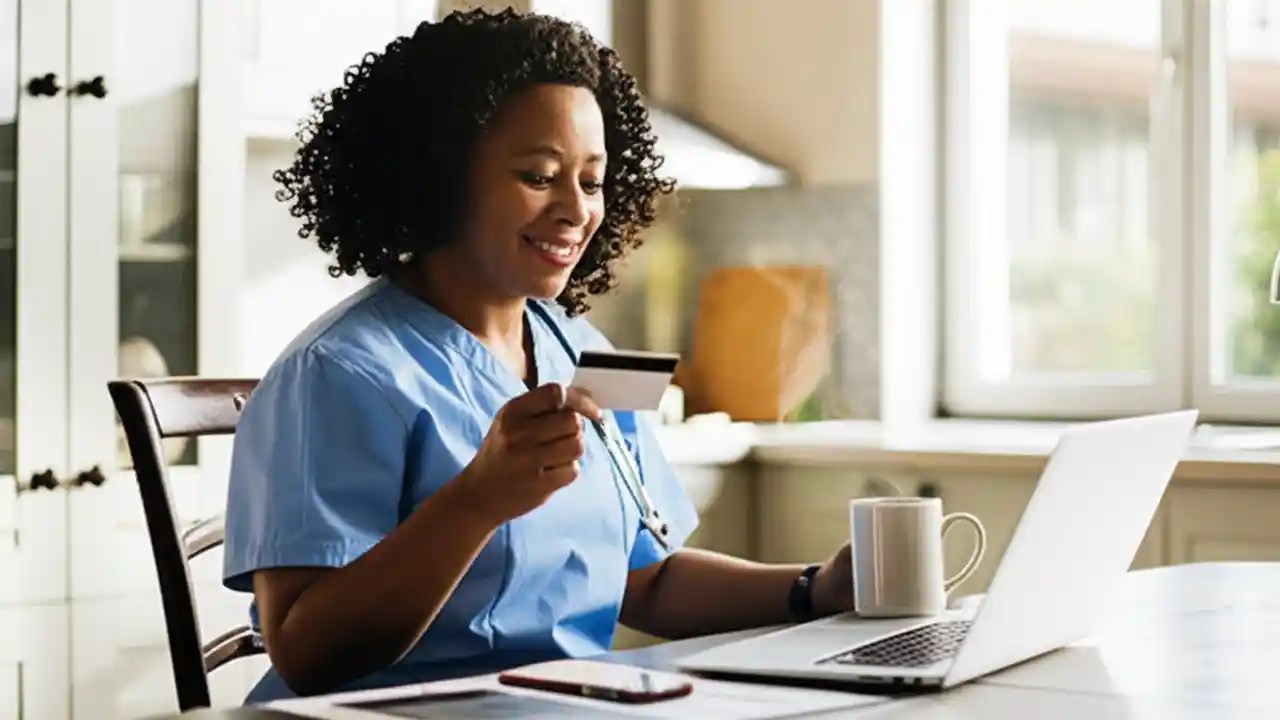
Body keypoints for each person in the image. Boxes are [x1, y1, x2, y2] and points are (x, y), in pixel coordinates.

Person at [222, 8, 854, 703]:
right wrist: (475, 501)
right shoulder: (338, 374)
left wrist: (818, 589)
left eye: (591, 181)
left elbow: (649, 582)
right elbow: (307, 651)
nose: (576, 210)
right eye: (538, 175)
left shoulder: (581, 350)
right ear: (439, 176)